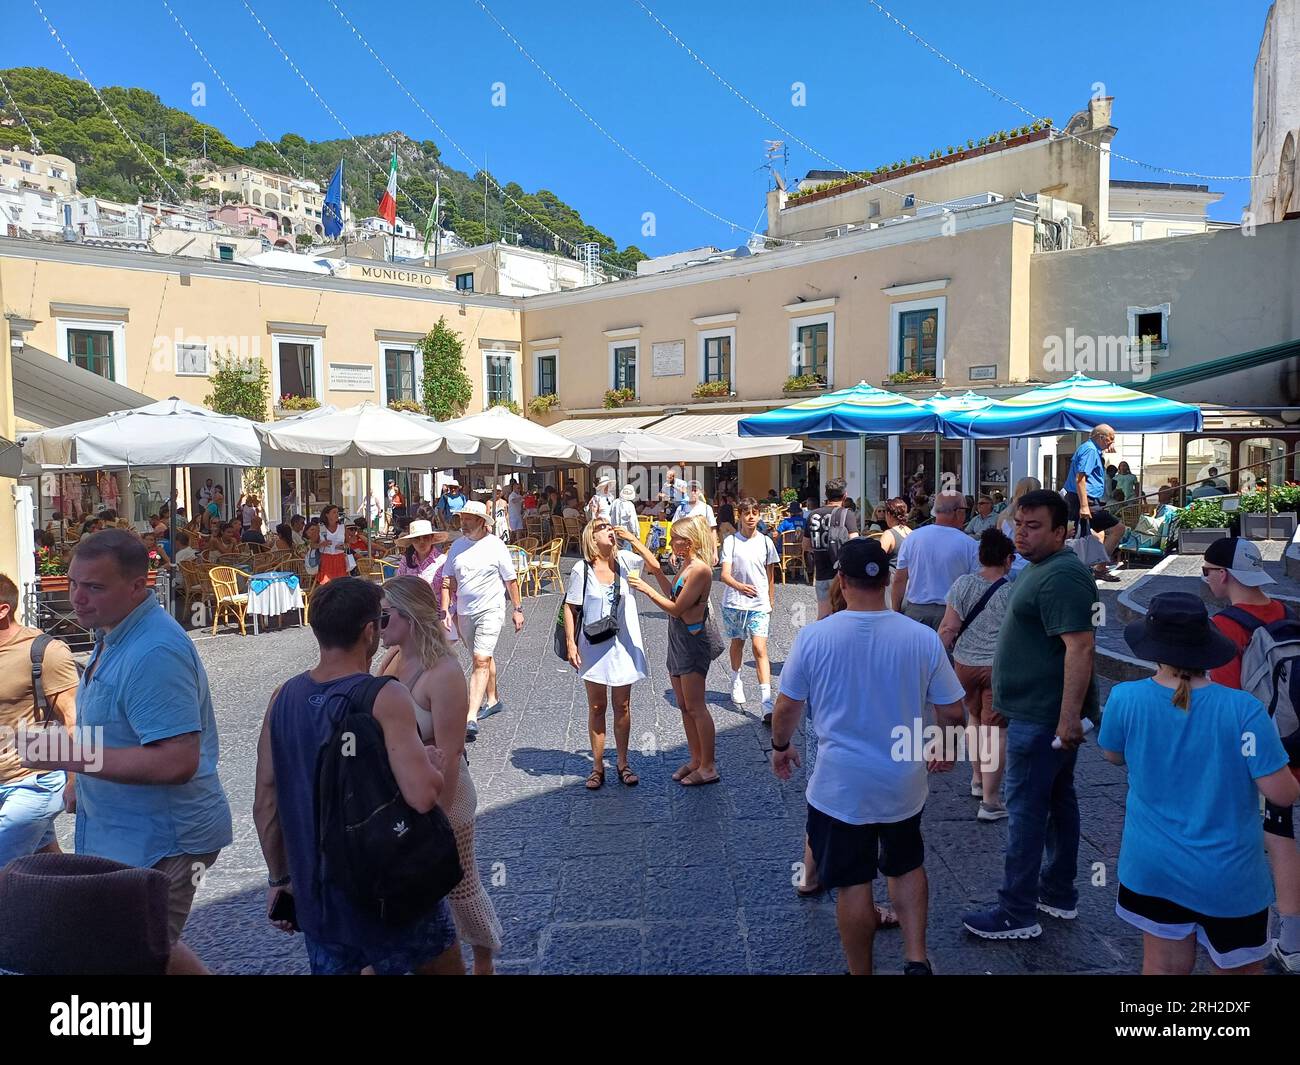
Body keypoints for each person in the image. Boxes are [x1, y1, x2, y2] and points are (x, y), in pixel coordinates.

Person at [23, 532, 233, 962]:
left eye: (94, 587)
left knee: (133, 955)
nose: (77, 598)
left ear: (139, 585)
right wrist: (78, 778)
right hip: (129, 834)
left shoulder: (153, 651)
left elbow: (178, 761)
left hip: (164, 841)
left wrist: (71, 759)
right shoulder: (115, 632)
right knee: (150, 949)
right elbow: (116, 724)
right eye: (73, 583)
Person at [770, 538, 965, 975]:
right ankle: (916, 959)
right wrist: (946, 744)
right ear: (888, 580)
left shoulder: (815, 636)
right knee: (907, 864)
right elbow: (953, 710)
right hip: (903, 782)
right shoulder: (922, 638)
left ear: (841, 579)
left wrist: (781, 747)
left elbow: (786, 708)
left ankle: (861, 972)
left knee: (854, 883)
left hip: (841, 786)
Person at [253, 577, 462, 975]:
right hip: (393, 887)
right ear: (369, 630)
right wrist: (433, 764)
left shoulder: (281, 698)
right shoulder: (386, 696)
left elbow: (265, 801)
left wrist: (279, 879)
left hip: (319, 897)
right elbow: (422, 796)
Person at [1099, 592, 1300, 975]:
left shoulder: (1125, 699)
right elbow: (1281, 793)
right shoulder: (1243, 710)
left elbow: (1112, 754)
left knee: (1161, 968)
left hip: (1152, 868)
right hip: (1228, 877)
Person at [962, 490, 1098, 941]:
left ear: (1061, 531)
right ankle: (1057, 893)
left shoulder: (1062, 576)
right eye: (1018, 523)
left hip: (1043, 718)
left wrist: (1068, 717)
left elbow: (1080, 647)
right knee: (1058, 801)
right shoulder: (1039, 569)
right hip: (1033, 711)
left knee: (1025, 811)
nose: (1021, 532)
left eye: (1033, 525)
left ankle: (1016, 911)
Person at [376, 576, 502, 975]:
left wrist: (437, 819)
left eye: (383, 616)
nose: (376, 625)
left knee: (461, 886)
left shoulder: (444, 672)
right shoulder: (393, 659)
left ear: (408, 618)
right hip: (409, 792)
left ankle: (484, 957)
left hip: (447, 797)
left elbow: (450, 753)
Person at [1201, 536, 1300, 973]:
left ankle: (1269, 938)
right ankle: (1291, 937)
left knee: (1261, 843)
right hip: (1293, 743)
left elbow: (1226, 703)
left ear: (1224, 575)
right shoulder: (1286, 613)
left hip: (1256, 753)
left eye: (1206, 572)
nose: (1206, 581)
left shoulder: (1225, 626)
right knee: (1284, 839)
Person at [627, 515, 722, 786]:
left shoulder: (700, 569)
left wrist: (646, 589)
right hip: (677, 638)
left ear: (688, 542)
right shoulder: (686, 565)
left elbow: (676, 608)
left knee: (696, 706)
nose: (670, 543)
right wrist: (636, 543)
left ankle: (708, 766)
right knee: (683, 705)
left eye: (674, 539)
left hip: (693, 642)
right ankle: (695, 759)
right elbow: (672, 592)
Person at [563, 519, 650, 790]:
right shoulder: (581, 569)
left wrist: (633, 540)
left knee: (622, 706)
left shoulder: (625, 562)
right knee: (597, 706)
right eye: (601, 527)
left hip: (623, 644)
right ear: (591, 535)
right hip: (593, 645)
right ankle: (597, 766)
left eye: (610, 526)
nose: (608, 530)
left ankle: (623, 763)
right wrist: (570, 643)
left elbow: (656, 565)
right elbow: (571, 607)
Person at [0, 573, 78, 867]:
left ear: (3, 610)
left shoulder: (45, 651)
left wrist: (76, 781)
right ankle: (86, 906)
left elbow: (74, 718)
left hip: (34, 781)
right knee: (49, 864)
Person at [938, 528, 1016, 821]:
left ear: (980, 557)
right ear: (1008, 560)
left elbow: (948, 628)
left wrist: (933, 663)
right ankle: (991, 802)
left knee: (973, 718)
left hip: (965, 664)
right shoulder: (1012, 591)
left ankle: (977, 779)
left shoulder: (962, 584)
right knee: (996, 730)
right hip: (999, 667)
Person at [440, 501, 523, 742]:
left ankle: (471, 717)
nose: (463, 522)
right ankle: (493, 700)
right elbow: (448, 578)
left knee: (480, 659)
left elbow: (511, 580)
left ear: (481, 521)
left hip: (491, 609)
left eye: (468, 518)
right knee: (481, 656)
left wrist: (517, 609)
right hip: (465, 612)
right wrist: (446, 608)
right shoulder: (456, 546)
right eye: (462, 518)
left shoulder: (496, 546)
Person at [720, 499, 779, 723]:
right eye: (747, 513)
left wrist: (770, 600)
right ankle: (736, 678)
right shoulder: (731, 542)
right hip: (735, 602)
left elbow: (770, 576)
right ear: (740, 516)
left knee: (759, 647)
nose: (751, 517)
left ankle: (766, 702)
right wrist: (740, 587)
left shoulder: (766, 542)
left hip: (759, 604)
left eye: (755, 513)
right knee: (738, 642)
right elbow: (724, 575)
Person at [892, 493, 979, 629]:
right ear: (958, 512)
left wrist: (895, 611)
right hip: (951, 614)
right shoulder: (969, 544)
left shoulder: (913, 538)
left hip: (916, 611)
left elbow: (900, 579)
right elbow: (974, 585)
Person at [1064, 424, 1125, 582]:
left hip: (1086, 499)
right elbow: (1080, 478)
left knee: (1096, 534)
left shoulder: (1091, 449)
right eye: (1111, 439)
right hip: (1083, 500)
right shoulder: (1090, 450)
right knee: (1116, 529)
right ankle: (1093, 569)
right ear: (1101, 437)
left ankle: (1098, 567)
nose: (1112, 443)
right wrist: (1084, 505)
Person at [807, 479, 859, 620]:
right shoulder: (846, 515)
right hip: (842, 572)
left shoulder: (813, 515)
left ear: (826, 494)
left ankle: (821, 641)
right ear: (845, 496)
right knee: (844, 615)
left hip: (821, 571)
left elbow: (806, 545)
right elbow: (854, 542)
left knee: (823, 615)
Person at [315, 505, 356, 585]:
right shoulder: (320, 528)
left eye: (337, 512)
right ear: (327, 515)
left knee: (341, 584)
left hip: (340, 558)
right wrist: (321, 545)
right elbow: (312, 545)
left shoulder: (342, 527)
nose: (337, 515)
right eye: (334, 512)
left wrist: (345, 546)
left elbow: (348, 542)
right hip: (325, 559)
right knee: (327, 585)